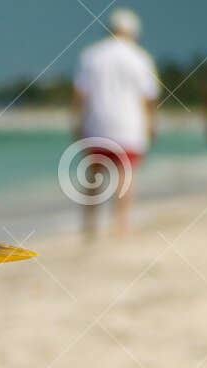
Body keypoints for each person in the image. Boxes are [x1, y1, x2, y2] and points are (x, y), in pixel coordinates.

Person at [72, 8, 160, 238]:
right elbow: (148, 97)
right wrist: (152, 125)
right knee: (125, 175)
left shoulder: (91, 55)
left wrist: (77, 123)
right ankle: (121, 226)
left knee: (93, 175)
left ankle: (89, 226)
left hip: (97, 123)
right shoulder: (140, 57)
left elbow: (81, 94)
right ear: (133, 32)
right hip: (129, 125)